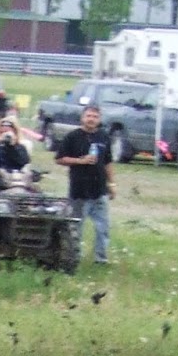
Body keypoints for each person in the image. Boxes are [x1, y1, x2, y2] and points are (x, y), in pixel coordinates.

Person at [55, 105, 114, 265]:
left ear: (99, 119)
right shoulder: (72, 137)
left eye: (95, 116)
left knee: (103, 227)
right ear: (82, 118)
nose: (91, 119)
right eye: (88, 116)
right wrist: (80, 161)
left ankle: (101, 258)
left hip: (99, 190)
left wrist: (112, 184)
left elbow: (108, 162)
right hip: (79, 190)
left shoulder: (104, 137)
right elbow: (60, 159)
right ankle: (74, 257)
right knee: (76, 227)